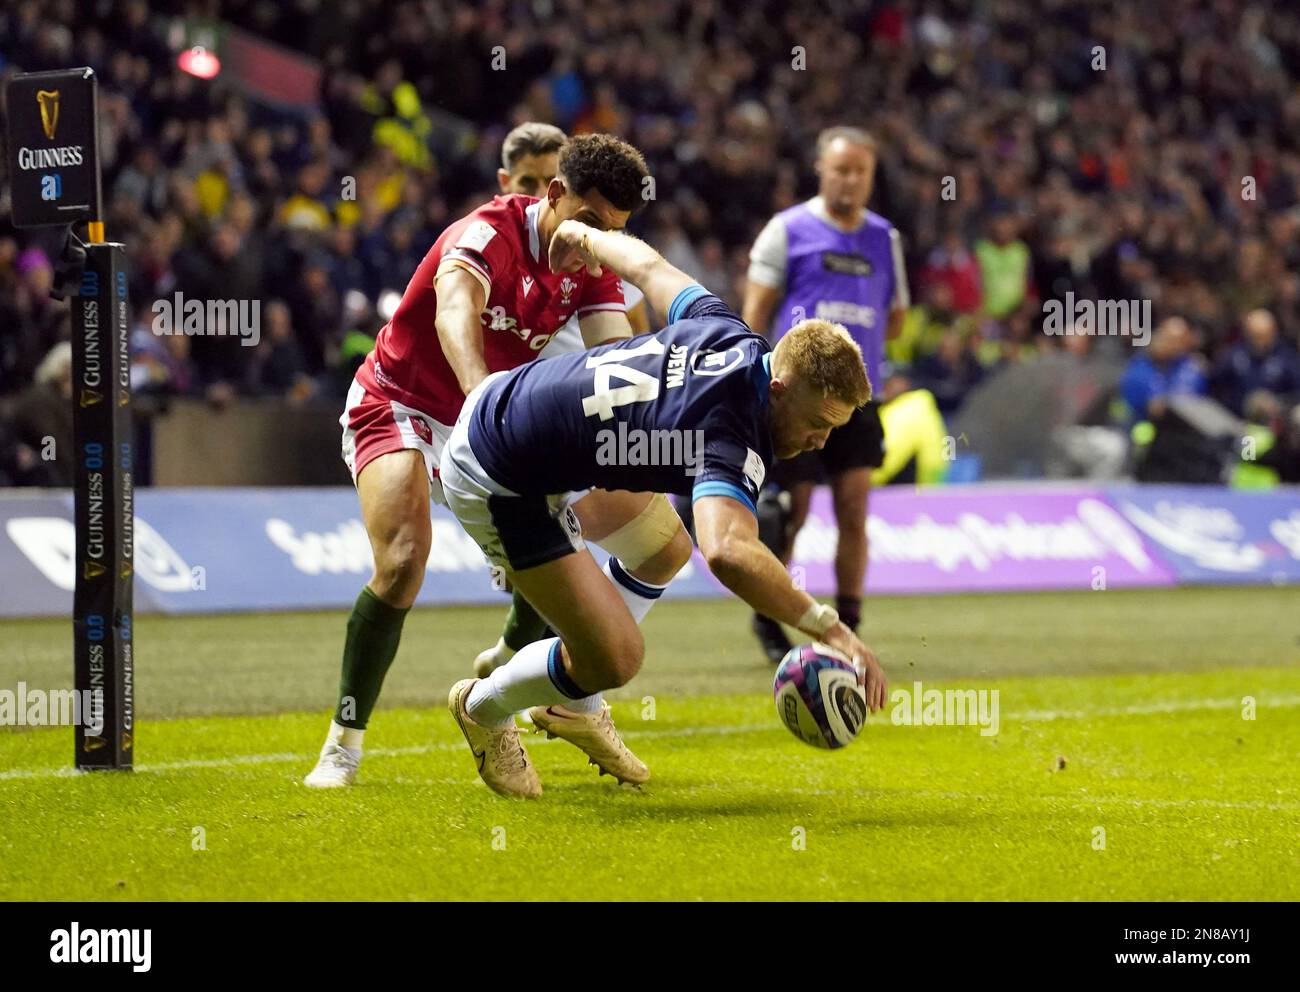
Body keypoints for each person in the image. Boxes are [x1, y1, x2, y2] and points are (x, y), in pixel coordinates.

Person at [439, 218, 888, 798]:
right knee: (617, 658)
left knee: (666, 545)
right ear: (778, 387)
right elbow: (727, 551)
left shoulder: (728, 331)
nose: (820, 442)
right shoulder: (731, 434)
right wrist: (832, 630)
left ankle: (571, 702)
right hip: (498, 474)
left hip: (522, 416)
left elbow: (649, 269)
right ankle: (485, 705)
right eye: (817, 423)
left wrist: (585, 236)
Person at [304, 133, 691, 788]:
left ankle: (536, 678)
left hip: (492, 423)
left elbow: (613, 358)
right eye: (589, 222)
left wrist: (652, 432)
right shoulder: (488, 234)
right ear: (553, 193)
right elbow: (457, 313)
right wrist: (482, 393)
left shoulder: (591, 266)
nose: (593, 240)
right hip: (404, 404)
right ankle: (342, 746)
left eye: (612, 231)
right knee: (402, 562)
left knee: (660, 543)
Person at [472, 122, 664, 679]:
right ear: (510, 182)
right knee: (555, 547)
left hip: (589, 413)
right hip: (518, 420)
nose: (535, 192)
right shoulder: (499, 244)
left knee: (656, 540)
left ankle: (528, 665)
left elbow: (630, 341)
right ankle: (557, 678)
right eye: (525, 181)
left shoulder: (599, 260)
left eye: (546, 178)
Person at [741, 126, 908, 663]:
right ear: (821, 169)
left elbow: (898, 317)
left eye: (861, 171)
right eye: (841, 169)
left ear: (871, 177)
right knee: (796, 509)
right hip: (796, 399)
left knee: (854, 509)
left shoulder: (887, 239)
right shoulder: (787, 230)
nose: (850, 179)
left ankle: (850, 620)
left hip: (858, 401)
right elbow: (754, 316)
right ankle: (770, 616)